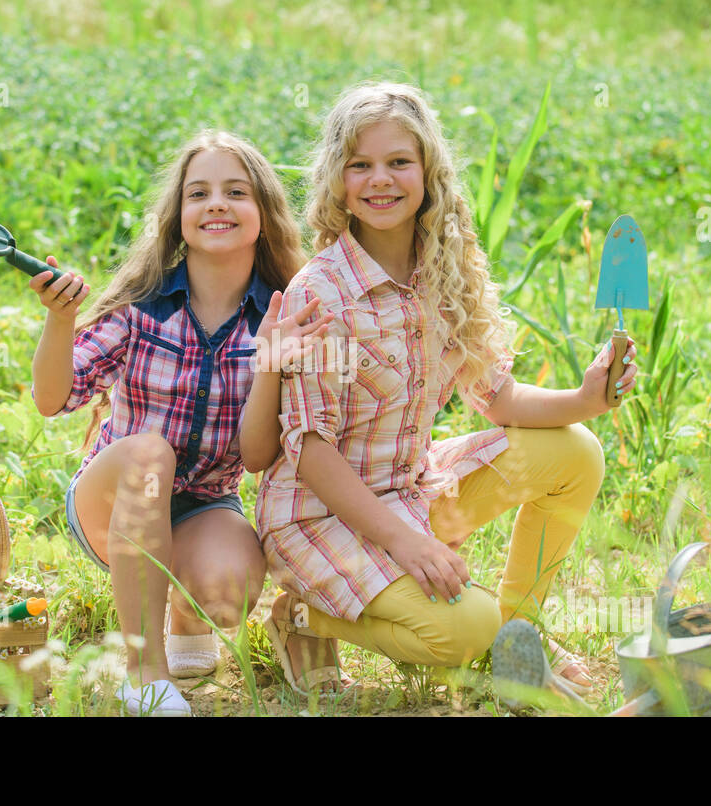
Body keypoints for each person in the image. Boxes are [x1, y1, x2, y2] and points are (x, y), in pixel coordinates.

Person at [255, 83, 637, 695]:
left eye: (399, 162)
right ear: (337, 180)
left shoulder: (442, 271)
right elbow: (309, 450)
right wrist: (409, 545)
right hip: (319, 514)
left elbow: (500, 399)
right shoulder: (320, 293)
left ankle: (520, 632)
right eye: (361, 165)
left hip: (409, 488)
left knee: (575, 451)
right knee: (462, 631)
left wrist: (584, 400)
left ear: (429, 171)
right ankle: (305, 615)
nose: (381, 180)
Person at [30, 130, 331, 716]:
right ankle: (144, 674)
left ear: (264, 215)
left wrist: (270, 364)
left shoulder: (282, 316)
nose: (216, 203)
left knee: (229, 589)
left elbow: (263, 454)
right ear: (179, 218)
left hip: (204, 504)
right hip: (116, 497)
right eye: (199, 194)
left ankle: (188, 623)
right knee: (150, 455)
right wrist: (59, 321)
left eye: (235, 191)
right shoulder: (143, 308)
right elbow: (53, 398)